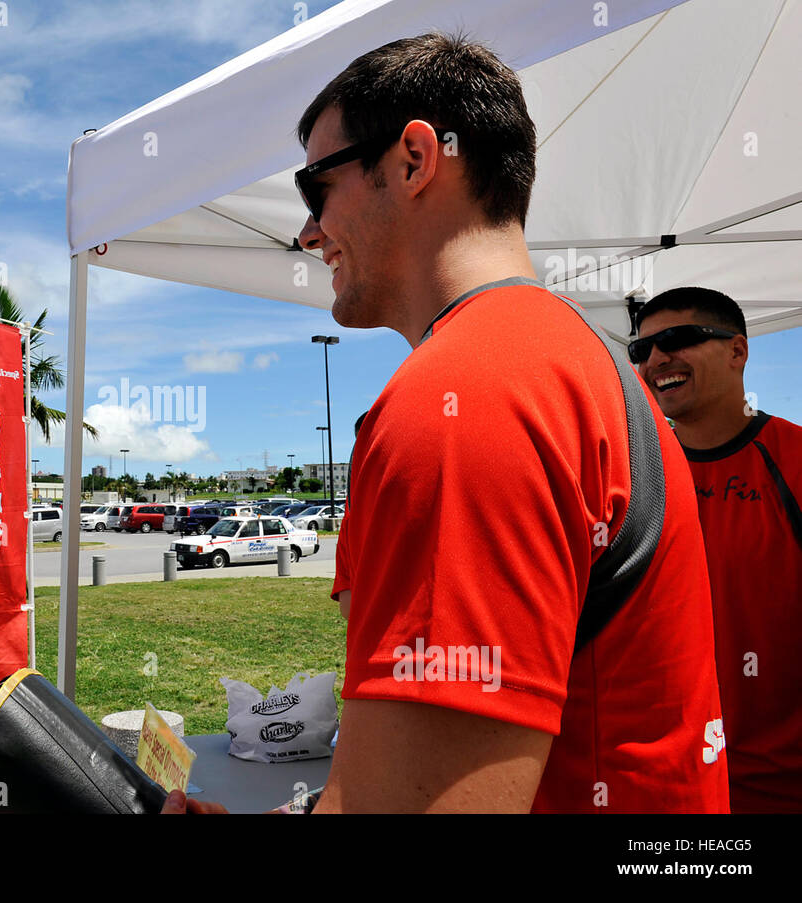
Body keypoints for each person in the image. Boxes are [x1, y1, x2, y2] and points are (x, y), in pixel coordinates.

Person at [284, 33, 728, 813]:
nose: (307, 230)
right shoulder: (573, 364)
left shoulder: (467, 397)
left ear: (416, 160)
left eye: (316, 187)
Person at [633, 286, 802, 813]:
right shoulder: (631, 480)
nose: (658, 358)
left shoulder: (793, 464)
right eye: (643, 350)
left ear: (737, 352)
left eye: (679, 339)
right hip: (666, 794)